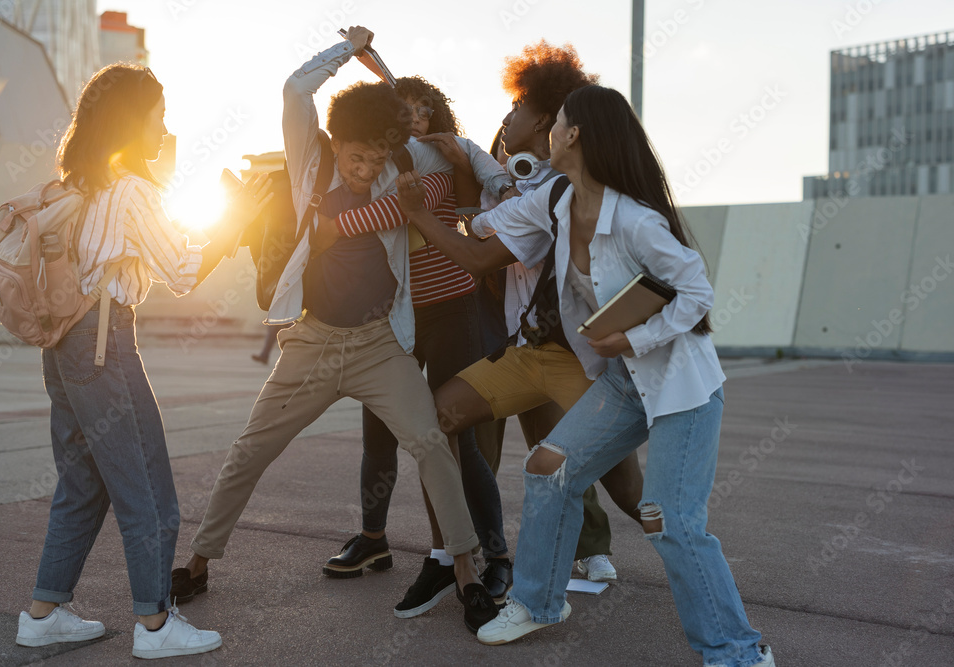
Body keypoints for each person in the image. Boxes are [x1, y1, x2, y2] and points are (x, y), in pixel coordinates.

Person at [170, 27, 510, 633]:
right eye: (358, 157)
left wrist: (493, 177)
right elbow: (295, 88)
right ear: (338, 143)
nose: (366, 170)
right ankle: (197, 563)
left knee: (432, 444)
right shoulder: (312, 157)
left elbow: (463, 149)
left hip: (379, 342)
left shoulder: (400, 162)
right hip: (316, 342)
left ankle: (467, 575)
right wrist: (349, 52)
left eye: (377, 159)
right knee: (251, 451)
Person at [442, 84, 774, 665]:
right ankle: (539, 602)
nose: (549, 129)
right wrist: (445, 187)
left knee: (670, 520)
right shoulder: (557, 202)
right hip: (624, 380)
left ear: (574, 135)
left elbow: (696, 292)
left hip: (680, 385)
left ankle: (739, 651)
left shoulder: (638, 220)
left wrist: (635, 337)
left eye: (558, 121)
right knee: (549, 465)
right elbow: (488, 225)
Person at [15, 64, 272, 660]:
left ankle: (43, 614)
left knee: (82, 483)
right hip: (105, 343)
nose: (164, 130)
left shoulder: (77, 184)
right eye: (158, 118)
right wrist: (239, 217)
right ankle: (155, 625)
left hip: (65, 346)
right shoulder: (132, 189)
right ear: (134, 124)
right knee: (150, 491)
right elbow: (182, 273)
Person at [398, 42, 645, 585]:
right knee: (442, 420)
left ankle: (683, 545)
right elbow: (476, 229)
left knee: (623, 483)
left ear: (546, 123)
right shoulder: (520, 177)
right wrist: (469, 170)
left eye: (517, 109)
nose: (507, 117)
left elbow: (479, 253)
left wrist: (417, 211)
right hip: (516, 346)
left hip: (569, 355)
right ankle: (463, 559)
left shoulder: (557, 188)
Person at [318, 75, 513, 617]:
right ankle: (373, 538)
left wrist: (333, 225)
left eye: (425, 109)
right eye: (405, 112)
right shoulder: (378, 165)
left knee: (456, 437)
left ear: (438, 117)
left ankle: (492, 554)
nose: (416, 118)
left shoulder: (441, 163)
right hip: (397, 315)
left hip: (453, 311)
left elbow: (401, 211)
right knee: (377, 431)